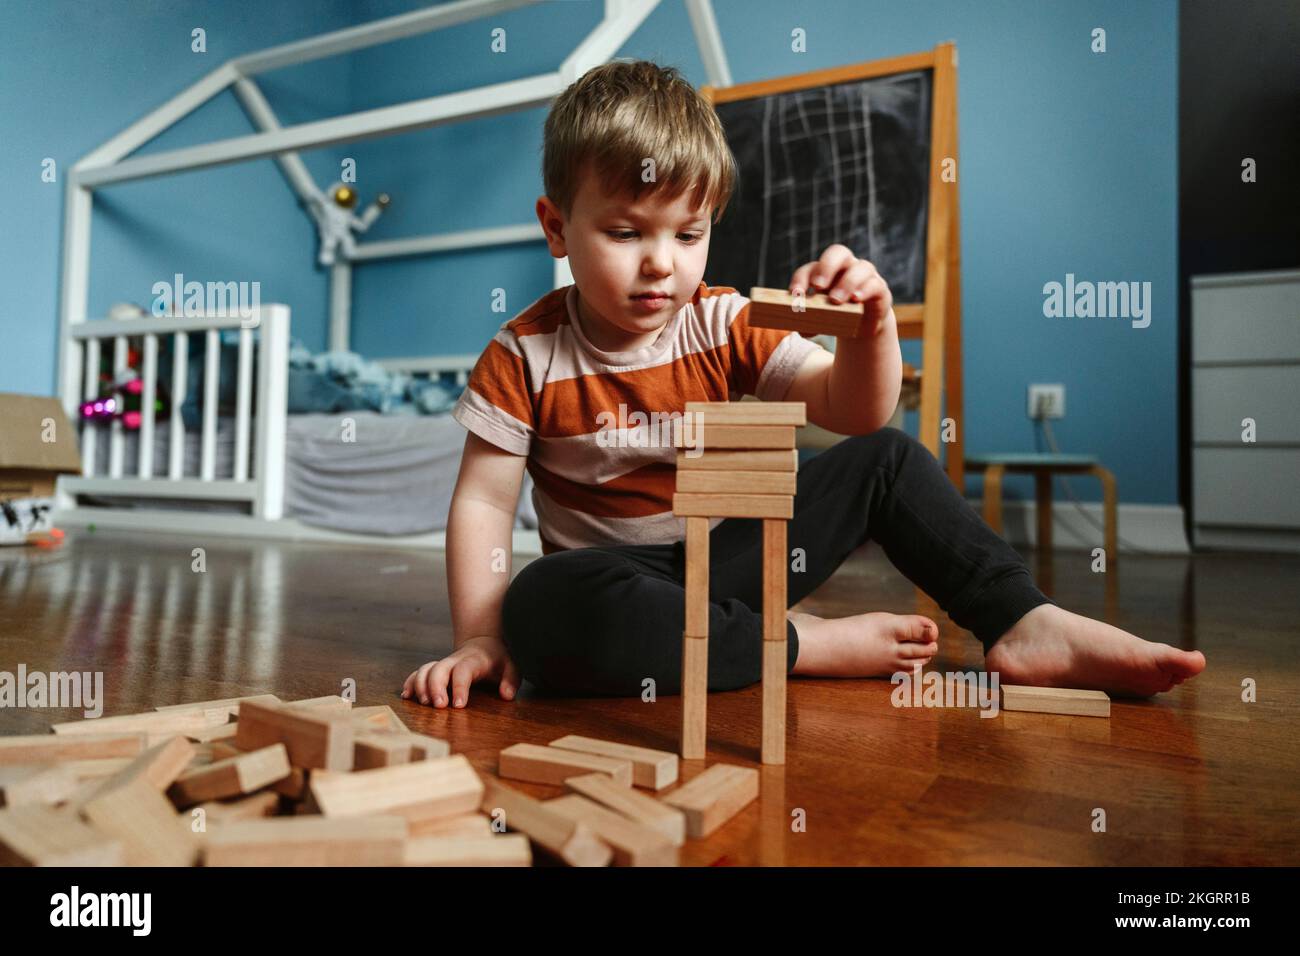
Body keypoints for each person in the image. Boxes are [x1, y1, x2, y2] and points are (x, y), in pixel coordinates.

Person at [401, 60, 1205, 710]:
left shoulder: (723, 321)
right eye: (624, 232)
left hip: (738, 559)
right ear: (555, 227)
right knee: (539, 608)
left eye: (689, 234)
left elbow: (852, 411)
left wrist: (870, 328)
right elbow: (482, 502)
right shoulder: (524, 353)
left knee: (888, 457)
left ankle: (1022, 620)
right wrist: (480, 636)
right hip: (619, 588)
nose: (661, 263)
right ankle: (796, 645)